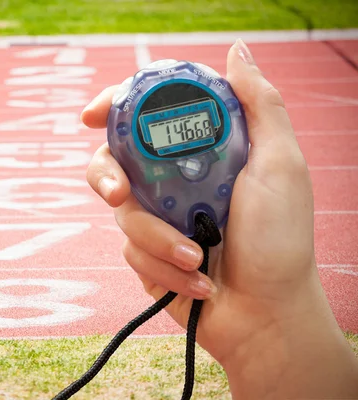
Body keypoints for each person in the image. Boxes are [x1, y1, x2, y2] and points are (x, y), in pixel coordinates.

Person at [81, 39, 358, 399]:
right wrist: (262, 343)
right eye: (170, 133)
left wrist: (283, 312)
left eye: (194, 128)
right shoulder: (207, 98)